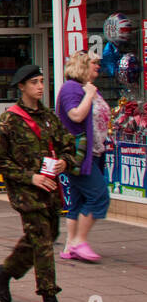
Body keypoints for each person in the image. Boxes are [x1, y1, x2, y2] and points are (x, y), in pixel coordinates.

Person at [0, 65, 79, 302]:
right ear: (22, 87)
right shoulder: (10, 120)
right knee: (42, 243)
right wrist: (30, 177)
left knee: (48, 235)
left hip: (50, 189)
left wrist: (64, 162)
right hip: (27, 192)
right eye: (34, 82)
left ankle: (4, 272)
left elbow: (67, 146)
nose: (40, 86)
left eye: (41, 81)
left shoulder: (49, 117)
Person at [56, 51, 111, 264]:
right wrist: (88, 95)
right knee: (99, 196)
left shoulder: (87, 88)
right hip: (78, 154)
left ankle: (70, 246)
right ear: (82, 66)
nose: (97, 66)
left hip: (93, 152)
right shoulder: (72, 88)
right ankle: (80, 241)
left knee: (78, 200)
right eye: (93, 63)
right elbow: (76, 115)